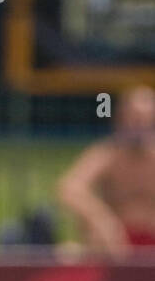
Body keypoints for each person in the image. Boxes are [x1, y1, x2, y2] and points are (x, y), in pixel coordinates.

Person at [58, 86, 155, 258]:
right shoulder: (107, 154)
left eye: (144, 119)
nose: (139, 124)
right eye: (134, 118)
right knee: (68, 252)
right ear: (121, 119)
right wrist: (101, 219)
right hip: (115, 246)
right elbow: (69, 188)